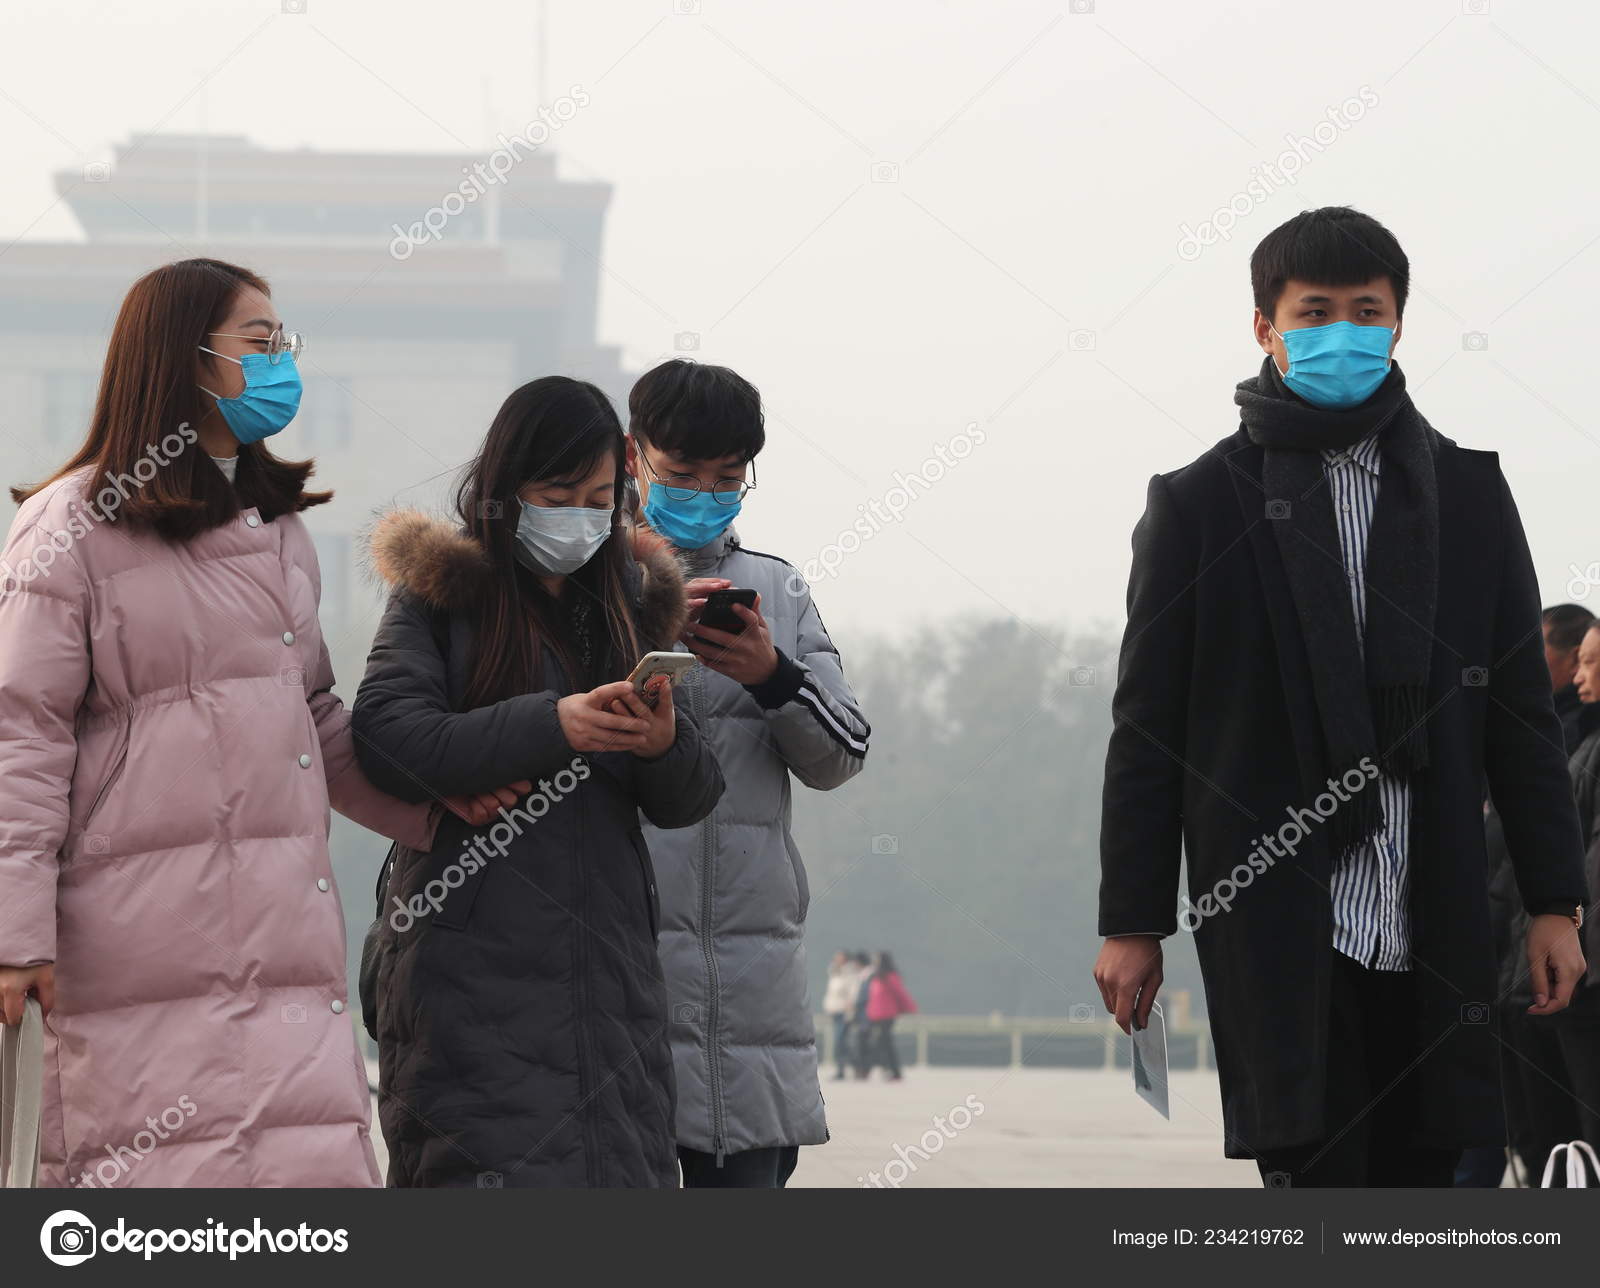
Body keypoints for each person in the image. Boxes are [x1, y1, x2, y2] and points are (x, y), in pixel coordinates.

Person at [1094, 207, 1590, 1188]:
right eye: (1313, 311)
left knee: (1436, 1170)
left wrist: (1552, 901)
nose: (1343, 332)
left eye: (1367, 311)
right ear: (1264, 327)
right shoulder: (1200, 504)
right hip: (1281, 902)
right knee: (1310, 1168)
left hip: (1434, 902)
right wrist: (1131, 916)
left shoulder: (1467, 495)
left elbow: (1520, 719)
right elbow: (1149, 732)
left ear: (1399, 323)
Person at [0, 258, 512, 1188]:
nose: (282, 363)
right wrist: (15, 932)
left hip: (281, 927)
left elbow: (312, 715)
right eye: (259, 343)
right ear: (179, 357)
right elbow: (21, 737)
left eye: (285, 343)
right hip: (130, 941)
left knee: (299, 1175)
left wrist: (438, 807)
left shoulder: (277, 529)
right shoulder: (69, 526)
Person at [351, 377, 724, 1187]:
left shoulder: (628, 600)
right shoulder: (443, 593)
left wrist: (661, 743)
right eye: (559, 495)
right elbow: (385, 735)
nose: (582, 518)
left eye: (600, 497)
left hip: (611, 979)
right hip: (468, 981)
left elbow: (692, 796)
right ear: (505, 489)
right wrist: (551, 724)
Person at [625, 360, 871, 1188]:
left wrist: (772, 676)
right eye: (683, 475)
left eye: (728, 478)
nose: (705, 494)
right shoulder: (585, 584)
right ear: (634, 458)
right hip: (623, 954)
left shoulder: (779, 588)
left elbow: (842, 753)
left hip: (751, 981)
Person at [1471, 603, 1599, 1186]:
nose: (1581, 677)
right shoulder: (1543, 739)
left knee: (1568, 1141)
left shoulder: (1566, 746)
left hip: (1571, 977)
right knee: (1536, 1141)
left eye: (1591, 663)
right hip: (1521, 971)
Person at [860, 952, 917, 1082]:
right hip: (874, 1015)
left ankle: (880, 1070)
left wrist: (910, 1008)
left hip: (886, 1015)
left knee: (883, 1043)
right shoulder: (875, 977)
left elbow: (900, 994)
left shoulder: (890, 977)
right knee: (882, 1043)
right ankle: (888, 1070)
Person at [822, 951, 859, 1081]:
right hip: (835, 1011)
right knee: (840, 1042)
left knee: (840, 1041)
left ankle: (846, 1067)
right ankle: (849, 1066)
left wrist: (850, 1010)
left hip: (844, 1012)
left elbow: (853, 993)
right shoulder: (834, 973)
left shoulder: (850, 974)